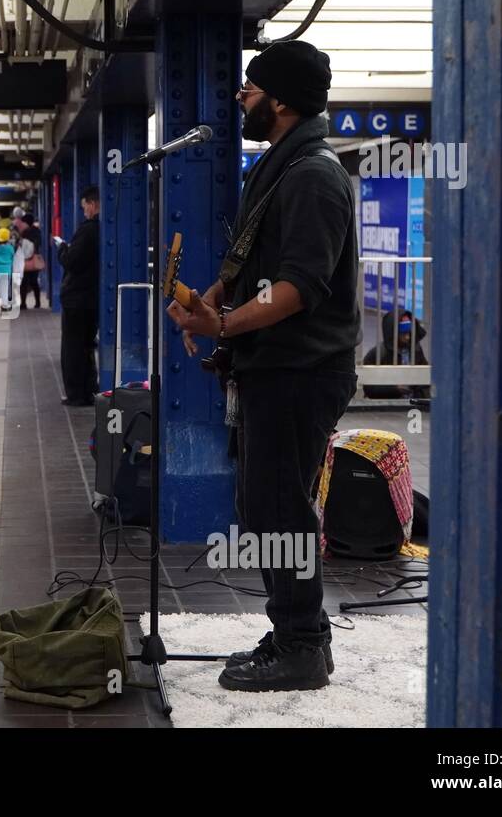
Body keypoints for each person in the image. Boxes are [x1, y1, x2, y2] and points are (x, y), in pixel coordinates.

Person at [166, 40, 360, 693]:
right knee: (268, 507)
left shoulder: (311, 175)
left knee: (279, 510)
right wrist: (221, 295)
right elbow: (262, 266)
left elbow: (298, 288)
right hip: (277, 369)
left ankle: (302, 645)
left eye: (251, 87)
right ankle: (298, 632)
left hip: (301, 371)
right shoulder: (283, 164)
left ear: (279, 100)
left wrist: (221, 323)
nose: (242, 95)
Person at [57, 187, 100, 404]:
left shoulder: (88, 230)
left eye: (85, 208)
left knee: (73, 348)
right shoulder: (104, 228)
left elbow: (72, 261)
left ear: (92, 205)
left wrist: (62, 249)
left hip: (77, 300)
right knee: (87, 346)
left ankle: (76, 394)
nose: (84, 212)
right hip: (92, 298)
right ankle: (90, 389)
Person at [15, 213, 43, 310]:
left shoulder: (24, 232)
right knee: (34, 282)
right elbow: (39, 244)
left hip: (26, 260)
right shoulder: (37, 231)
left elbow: (19, 245)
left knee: (24, 282)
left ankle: (23, 304)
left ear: (26, 223)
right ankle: (38, 303)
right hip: (33, 259)